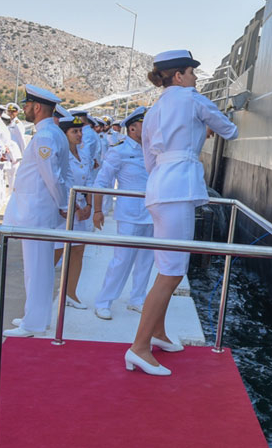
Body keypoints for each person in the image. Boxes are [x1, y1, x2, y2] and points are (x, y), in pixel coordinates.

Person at [125, 50, 238, 376]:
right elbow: (230, 130)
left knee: (166, 267)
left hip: (159, 189)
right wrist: (205, 128)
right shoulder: (191, 99)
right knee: (173, 272)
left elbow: (148, 157)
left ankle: (157, 334)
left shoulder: (155, 108)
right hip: (179, 191)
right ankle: (140, 348)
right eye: (192, 73)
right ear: (179, 76)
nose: (195, 79)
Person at [2, 84, 68, 337]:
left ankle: (34, 323)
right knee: (36, 268)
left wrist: (63, 204)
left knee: (38, 268)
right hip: (36, 209)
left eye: (27, 105)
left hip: (38, 211)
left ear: (37, 108)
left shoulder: (45, 136)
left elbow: (53, 177)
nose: (25, 109)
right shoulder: (50, 133)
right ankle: (34, 315)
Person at [92, 107, 154, 320]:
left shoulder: (155, 150)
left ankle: (137, 299)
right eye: (145, 125)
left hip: (152, 213)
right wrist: (98, 210)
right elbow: (102, 181)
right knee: (122, 260)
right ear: (133, 128)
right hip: (129, 214)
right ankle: (104, 301)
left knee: (146, 259)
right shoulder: (118, 151)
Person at [52, 115, 92, 310]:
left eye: (80, 131)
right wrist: (75, 207)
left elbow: (89, 182)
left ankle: (70, 293)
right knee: (56, 251)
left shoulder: (83, 154)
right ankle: (42, 291)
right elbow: (62, 182)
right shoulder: (61, 155)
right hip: (65, 209)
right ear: (64, 134)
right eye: (74, 131)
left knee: (78, 250)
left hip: (81, 209)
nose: (79, 135)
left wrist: (89, 206)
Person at [6, 102, 26, 192]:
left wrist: (24, 154)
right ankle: (10, 194)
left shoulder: (18, 124)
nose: (11, 113)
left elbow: (22, 140)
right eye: (9, 111)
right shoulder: (8, 123)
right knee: (9, 175)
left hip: (16, 153)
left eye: (13, 112)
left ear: (17, 112)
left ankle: (12, 195)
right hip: (8, 152)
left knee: (14, 176)